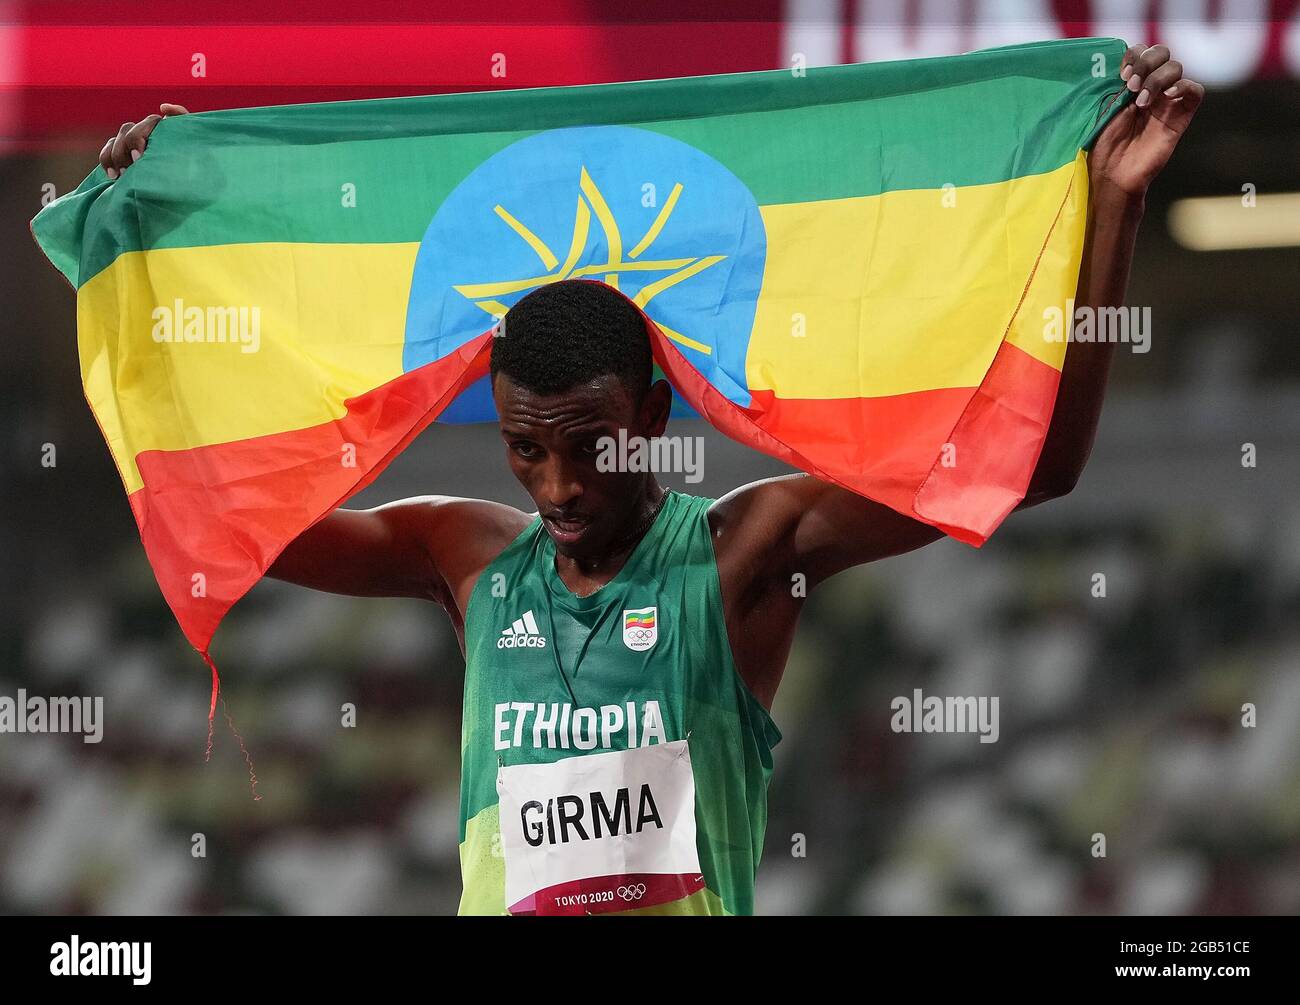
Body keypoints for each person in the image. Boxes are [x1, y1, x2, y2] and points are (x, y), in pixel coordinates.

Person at [98, 44, 1202, 915]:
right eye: (526, 450)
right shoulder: (466, 558)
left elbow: (1034, 467)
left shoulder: (745, 553)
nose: (559, 484)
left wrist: (1111, 203)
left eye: (590, 444)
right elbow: (233, 513)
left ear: (655, 413)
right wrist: (181, 230)